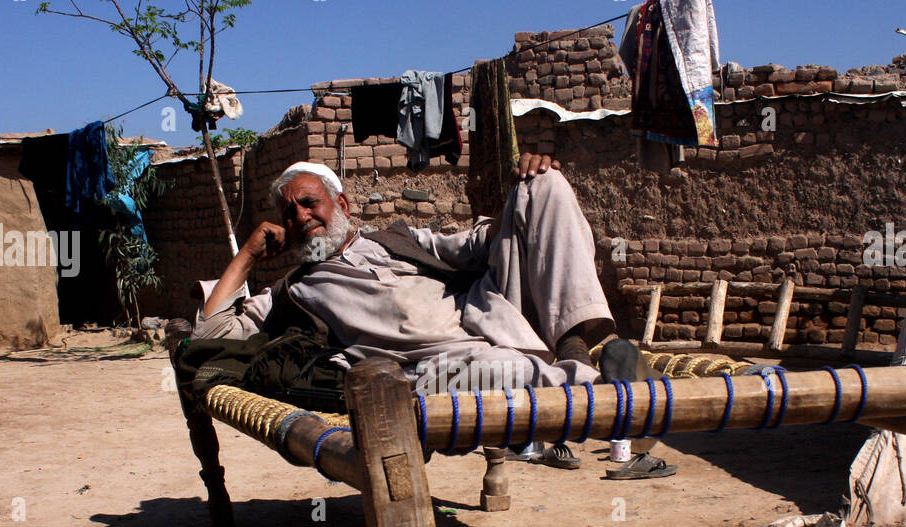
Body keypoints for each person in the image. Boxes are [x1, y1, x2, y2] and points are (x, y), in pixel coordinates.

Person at [193, 156, 674, 477]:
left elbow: (468, 246)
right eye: (288, 210)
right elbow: (210, 332)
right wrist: (251, 254)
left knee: (542, 184)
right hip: (436, 366)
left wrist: (517, 200)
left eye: (308, 202)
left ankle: (592, 341)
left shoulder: (391, 239)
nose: (298, 215)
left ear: (339, 205)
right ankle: (614, 397)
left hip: (488, 311)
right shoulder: (294, 290)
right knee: (500, 371)